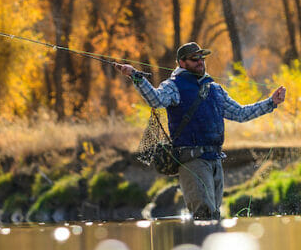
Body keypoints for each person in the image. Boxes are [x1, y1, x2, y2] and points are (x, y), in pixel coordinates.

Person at [115, 42, 286, 219]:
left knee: (215, 216)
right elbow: (156, 100)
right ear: (182, 62)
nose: (200, 62)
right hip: (192, 161)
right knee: (204, 215)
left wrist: (271, 102)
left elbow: (240, 113)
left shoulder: (215, 89)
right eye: (194, 59)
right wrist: (136, 76)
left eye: (202, 58)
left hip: (215, 161)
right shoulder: (173, 86)